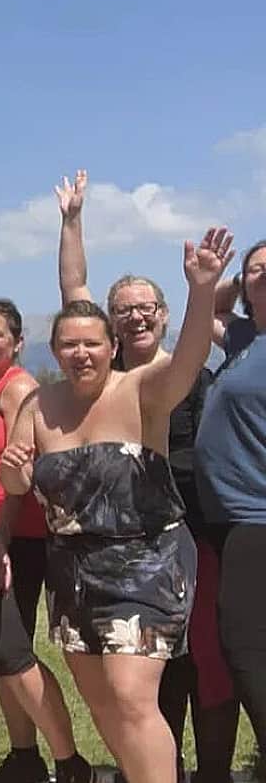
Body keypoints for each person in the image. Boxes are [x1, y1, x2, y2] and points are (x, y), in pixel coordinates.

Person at [0, 226, 233, 783]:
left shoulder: (143, 388)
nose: (82, 352)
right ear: (55, 351)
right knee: (102, 701)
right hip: (73, 571)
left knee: (130, 695)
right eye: (69, 344)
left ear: (111, 347)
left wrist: (203, 291)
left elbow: (192, 356)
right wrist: (14, 475)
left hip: (146, 561)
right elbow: (18, 485)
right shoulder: (38, 403)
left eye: (92, 343)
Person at [57, 170, 238, 783]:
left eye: (144, 308)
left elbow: (192, 349)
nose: (134, 318)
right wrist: (72, 221)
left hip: (182, 537)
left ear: (162, 314)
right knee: (134, 693)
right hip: (104, 550)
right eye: (122, 311)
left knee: (187, 672)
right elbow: (73, 293)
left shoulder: (178, 374)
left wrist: (202, 290)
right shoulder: (98, 378)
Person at [0, 299, 92, 783]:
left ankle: (71, 764)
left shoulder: (18, 389)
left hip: (8, 538)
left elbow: (19, 472)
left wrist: (0, 538)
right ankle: (24, 759)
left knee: (12, 652)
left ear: (16, 342)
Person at [196, 236, 266, 770]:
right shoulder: (244, 337)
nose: (262, 277)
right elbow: (212, 307)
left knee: (245, 646)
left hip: (257, 515)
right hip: (227, 518)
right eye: (256, 272)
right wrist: (235, 278)